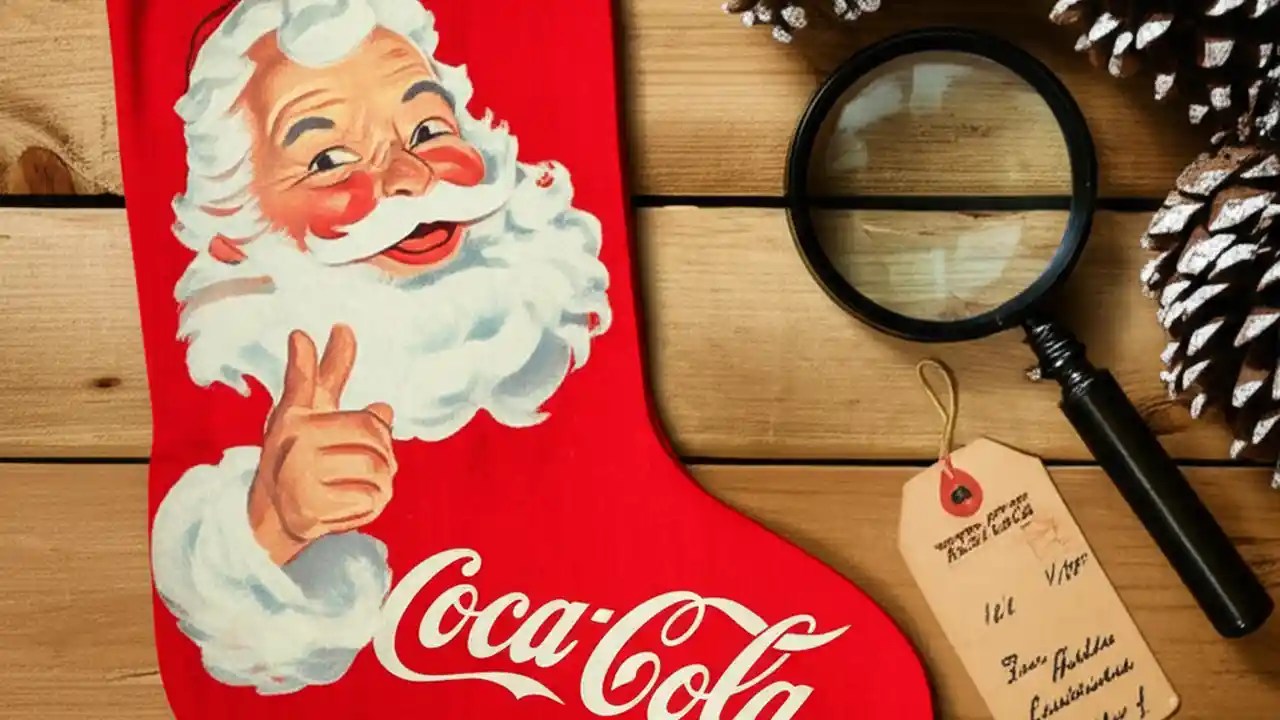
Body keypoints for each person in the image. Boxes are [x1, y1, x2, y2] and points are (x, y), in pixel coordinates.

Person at [152, 0, 612, 695]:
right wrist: (271, 527)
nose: (410, 177)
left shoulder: (556, 322)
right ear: (231, 228)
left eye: (427, 128)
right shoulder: (255, 415)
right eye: (329, 159)